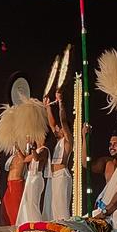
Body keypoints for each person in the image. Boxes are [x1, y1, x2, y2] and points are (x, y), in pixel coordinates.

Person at [44, 91, 74, 220]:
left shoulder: (68, 139)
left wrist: (60, 103)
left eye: (60, 128)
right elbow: (52, 124)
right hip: (53, 176)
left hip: (62, 175)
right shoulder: (58, 140)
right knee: (52, 209)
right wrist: (48, 107)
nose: (58, 128)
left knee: (61, 208)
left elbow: (62, 121)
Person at [16, 139, 49, 226]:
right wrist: (17, 148)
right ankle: (27, 224)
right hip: (30, 179)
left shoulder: (44, 150)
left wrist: (33, 147)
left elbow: (37, 158)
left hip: (36, 179)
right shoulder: (37, 150)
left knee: (32, 204)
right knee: (27, 203)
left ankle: (37, 225)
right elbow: (25, 159)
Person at [3, 146, 28, 227]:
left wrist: (19, 148)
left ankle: (18, 227)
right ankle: (9, 227)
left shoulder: (25, 154)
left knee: (15, 208)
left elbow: (24, 160)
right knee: (6, 208)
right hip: (9, 184)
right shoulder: (13, 157)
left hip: (17, 183)